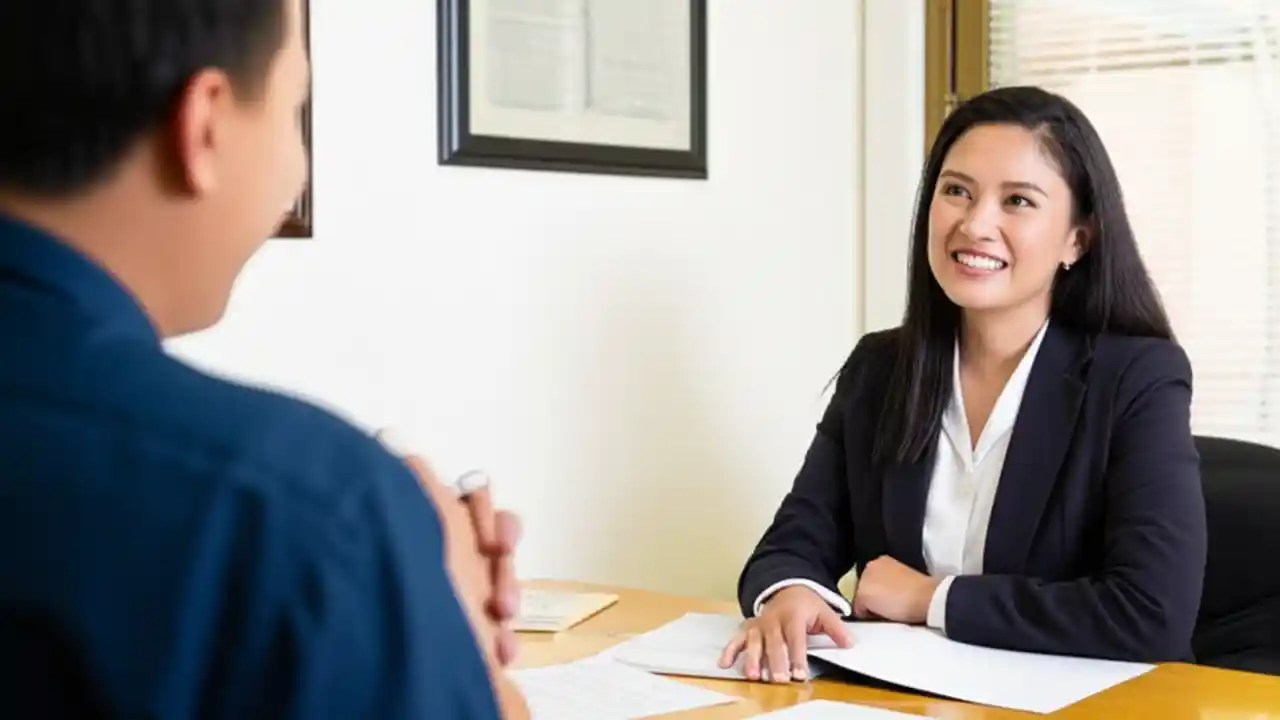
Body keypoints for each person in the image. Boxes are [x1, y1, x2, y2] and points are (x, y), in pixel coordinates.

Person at [0, 0, 527, 717]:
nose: (293, 170)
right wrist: (448, 634)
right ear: (205, 124)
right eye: (294, 108)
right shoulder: (304, 511)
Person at [721, 86, 1207, 683]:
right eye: (957, 191)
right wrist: (791, 593)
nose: (975, 224)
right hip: (910, 700)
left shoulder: (1136, 376)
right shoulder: (881, 368)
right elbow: (796, 539)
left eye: (1018, 201)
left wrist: (933, 599)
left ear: (1077, 240)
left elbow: (1150, 615)